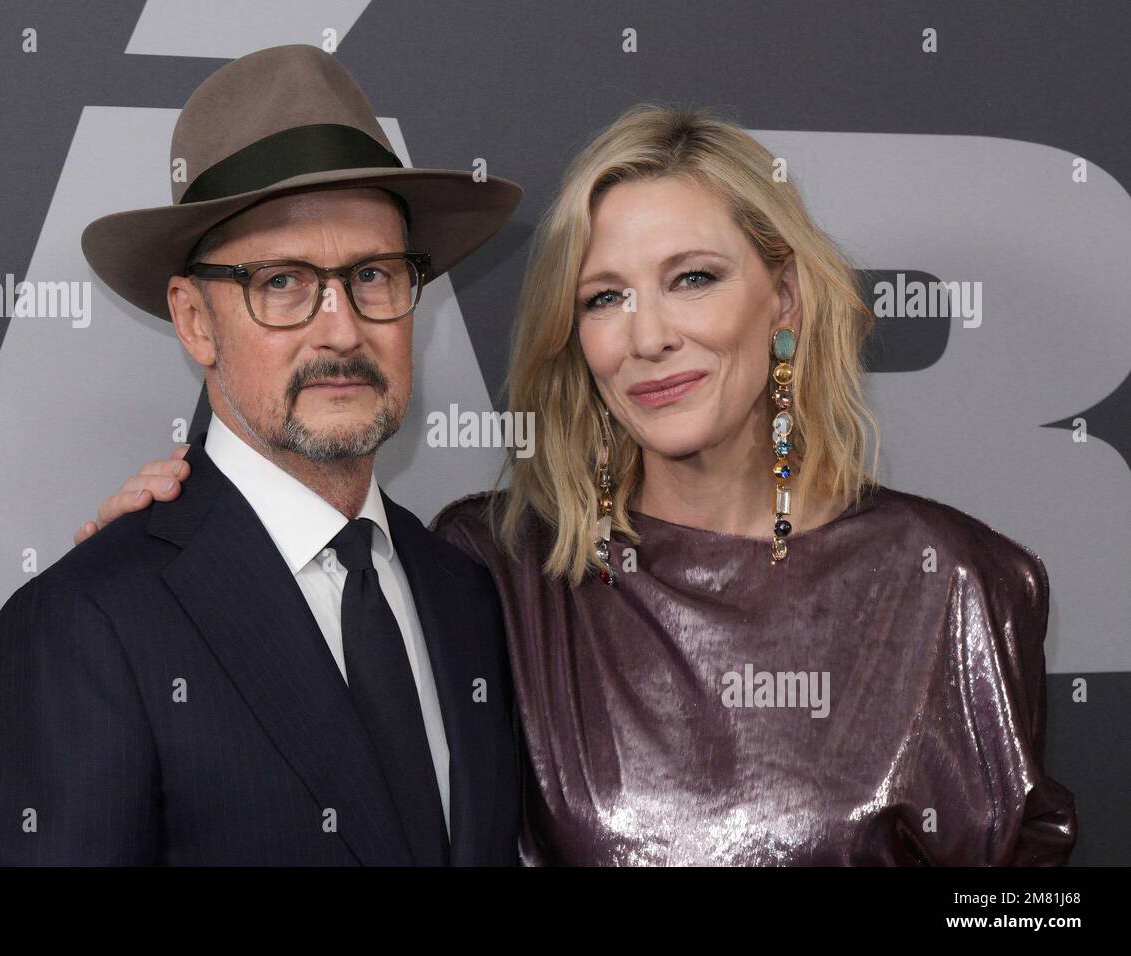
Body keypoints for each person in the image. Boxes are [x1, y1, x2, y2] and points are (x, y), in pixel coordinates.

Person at [83, 104, 1077, 865]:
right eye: (606, 296)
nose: (649, 335)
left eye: (692, 277)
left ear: (781, 296)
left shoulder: (952, 582)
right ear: (577, 336)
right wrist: (170, 584)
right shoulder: (495, 570)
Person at [0, 45, 523, 866]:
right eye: (283, 282)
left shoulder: (466, 595)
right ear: (194, 321)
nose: (341, 326)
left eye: (373, 274)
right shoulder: (86, 627)